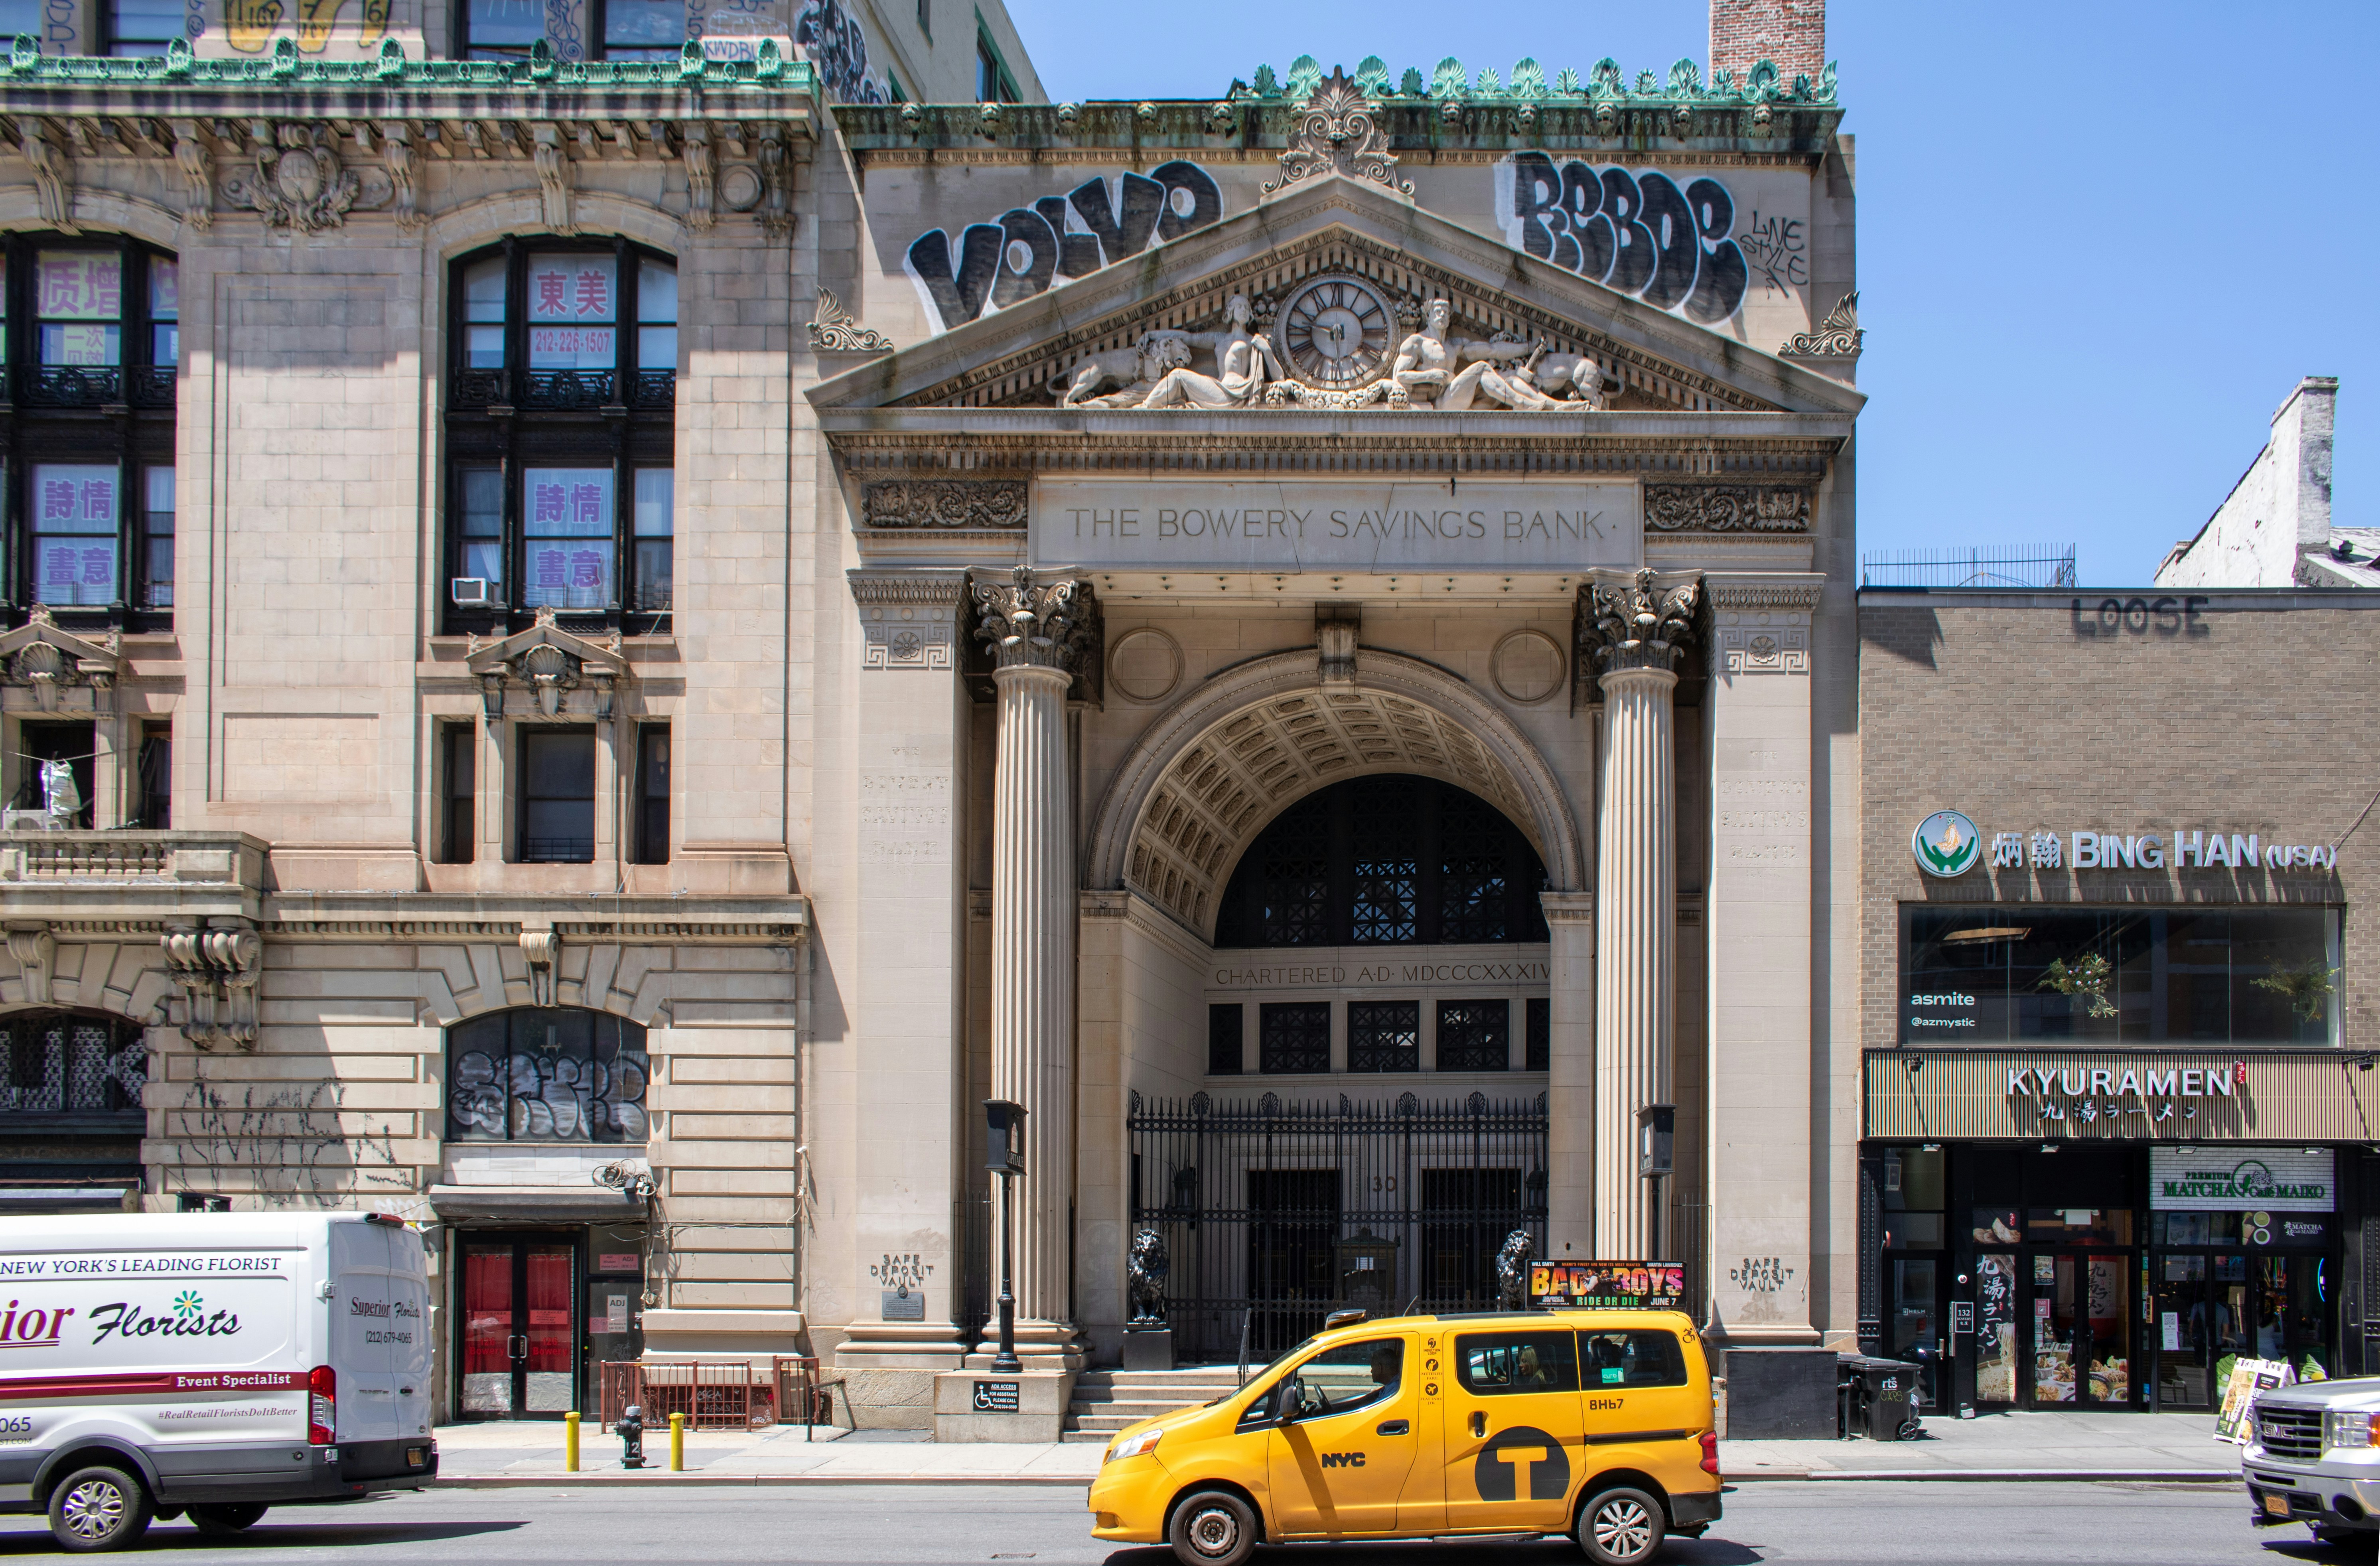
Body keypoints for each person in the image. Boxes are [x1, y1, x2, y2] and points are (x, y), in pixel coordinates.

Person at [1390, 298, 1563, 412]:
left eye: (1446, 312)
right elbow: (1399, 376)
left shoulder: (1455, 345)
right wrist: (1430, 375)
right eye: (1437, 311)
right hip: (1439, 404)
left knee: (1509, 377)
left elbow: (1492, 350)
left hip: (1454, 396)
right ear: (1428, 316)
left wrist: (1528, 348)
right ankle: (1522, 404)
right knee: (1482, 368)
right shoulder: (1417, 342)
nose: (1442, 315)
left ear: (1450, 318)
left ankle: (1556, 405)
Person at [1135, 292, 1284, 410]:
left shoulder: (1253, 341)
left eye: (1246, 308)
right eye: (1239, 307)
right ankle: (1145, 407)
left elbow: (1280, 378)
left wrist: (1267, 350)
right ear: (1231, 311)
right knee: (1177, 376)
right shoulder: (1219, 338)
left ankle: (1145, 408)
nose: (1244, 310)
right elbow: (1189, 338)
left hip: (1237, 394)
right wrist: (1152, 335)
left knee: (1177, 376)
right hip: (1219, 389)